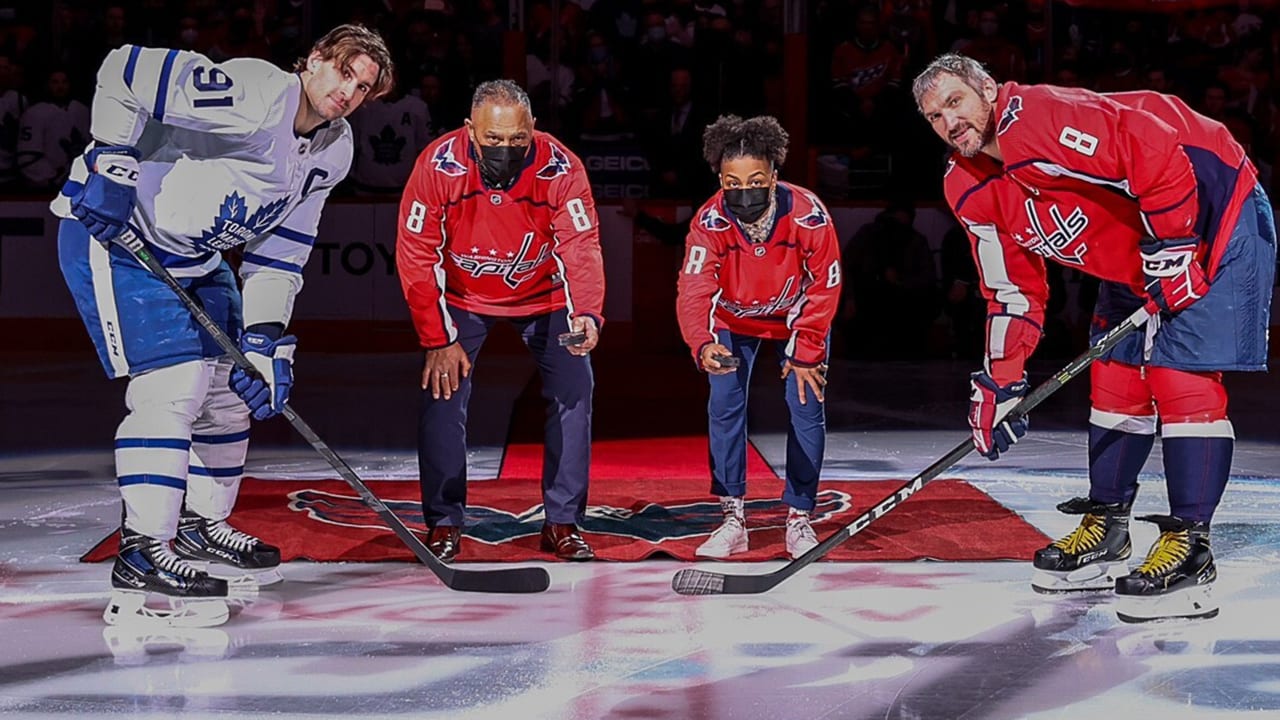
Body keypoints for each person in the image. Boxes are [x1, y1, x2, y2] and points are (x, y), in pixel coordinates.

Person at [913, 54, 1276, 621]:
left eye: (955, 101)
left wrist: (1178, 244)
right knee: (1113, 379)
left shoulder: (1036, 117)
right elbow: (1012, 293)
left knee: (1180, 377)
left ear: (986, 88)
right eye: (934, 116)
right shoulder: (966, 186)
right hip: (1139, 250)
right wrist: (1000, 380)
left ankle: (1191, 550)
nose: (949, 121)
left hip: (1213, 209)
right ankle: (1107, 525)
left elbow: (1152, 146)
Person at [53, 25, 393, 627]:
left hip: (197, 257)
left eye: (363, 86)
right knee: (173, 386)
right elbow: (124, 68)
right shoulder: (258, 92)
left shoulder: (334, 150)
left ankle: (197, 527)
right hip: (120, 239)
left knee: (233, 394)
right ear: (314, 60)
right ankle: (141, 554)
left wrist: (265, 338)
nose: (348, 91)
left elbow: (281, 253)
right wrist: (111, 157)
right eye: (343, 71)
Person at [396, 79, 605, 563]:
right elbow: (415, 254)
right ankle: (444, 522)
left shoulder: (561, 166)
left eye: (517, 139)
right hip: (464, 296)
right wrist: (436, 337)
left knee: (576, 388)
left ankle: (563, 522)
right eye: (493, 140)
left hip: (547, 295)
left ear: (533, 128)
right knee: (442, 393)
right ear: (470, 130)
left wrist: (588, 312)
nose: (505, 150)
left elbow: (581, 245)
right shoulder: (437, 163)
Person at [675, 114, 842, 560]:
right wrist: (701, 342)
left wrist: (807, 350)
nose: (743, 191)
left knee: (805, 406)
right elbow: (693, 288)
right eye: (732, 182)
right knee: (724, 404)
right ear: (719, 178)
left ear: (774, 177)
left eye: (754, 180)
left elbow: (825, 285)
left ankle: (799, 518)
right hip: (732, 320)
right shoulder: (709, 222)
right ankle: (733, 518)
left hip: (795, 319)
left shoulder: (808, 215)